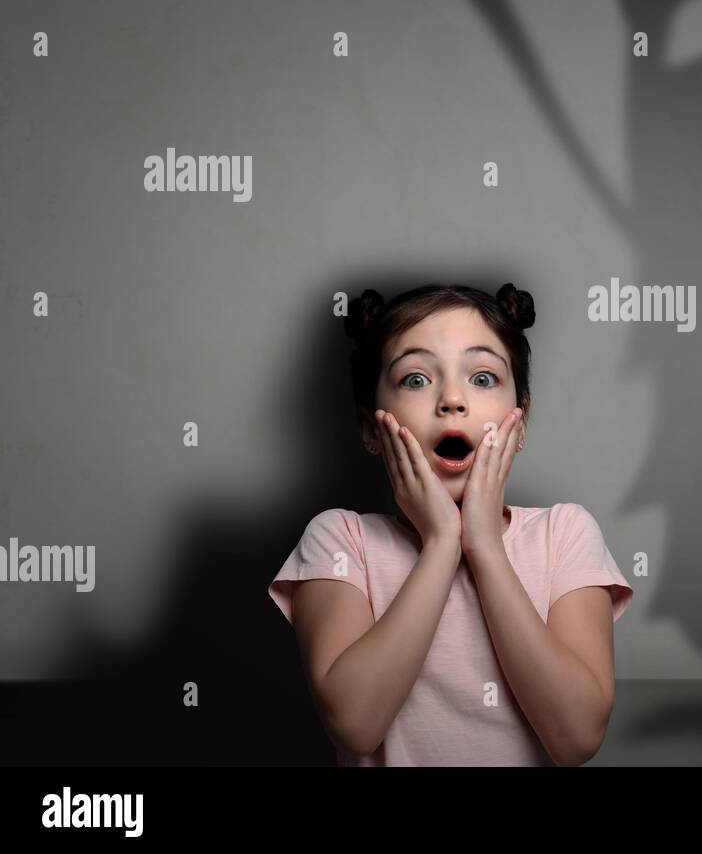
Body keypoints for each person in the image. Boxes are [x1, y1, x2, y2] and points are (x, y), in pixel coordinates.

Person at [267, 282, 632, 765]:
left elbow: (577, 738)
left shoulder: (565, 534)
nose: (452, 400)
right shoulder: (340, 541)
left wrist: (485, 546)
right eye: (416, 379)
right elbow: (355, 726)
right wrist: (441, 543)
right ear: (371, 429)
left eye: (482, 378)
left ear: (519, 424)